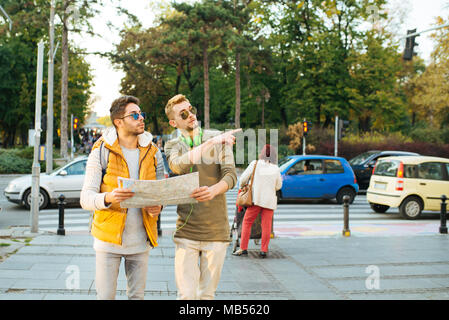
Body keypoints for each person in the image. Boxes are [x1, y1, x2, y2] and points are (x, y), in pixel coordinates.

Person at [80, 95, 165, 300]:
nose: (141, 118)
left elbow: (161, 192)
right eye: (134, 115)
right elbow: (86, 198)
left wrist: (158, 207)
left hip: (141, 242)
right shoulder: (101, 150)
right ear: (118, 122)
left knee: (137, 297)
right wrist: (109, 197)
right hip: (108, 243)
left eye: (141, 114)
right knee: (106, 297)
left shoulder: (153, 152)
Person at [164, 94, 239, 300]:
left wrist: (213, 190)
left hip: (216, 231)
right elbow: (178, 165)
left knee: (206, 296)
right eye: (183, 114)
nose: (191, 116)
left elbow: (231, 176)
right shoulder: (172, 145)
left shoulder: (218, 138)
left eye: (191, 109)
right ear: (174, 122)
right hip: (186, 231)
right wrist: (210, 142)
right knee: (186, 296)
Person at [233, 144, 282, 258]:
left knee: (247, 222)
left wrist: (245, 185)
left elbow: (243, 179)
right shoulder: (275, 168)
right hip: (269, 201)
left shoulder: (255, 164)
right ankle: (263, 250)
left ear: (262, 153)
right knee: (266, 226)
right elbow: (279, 185)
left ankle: (243, 248)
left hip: (256, 199)